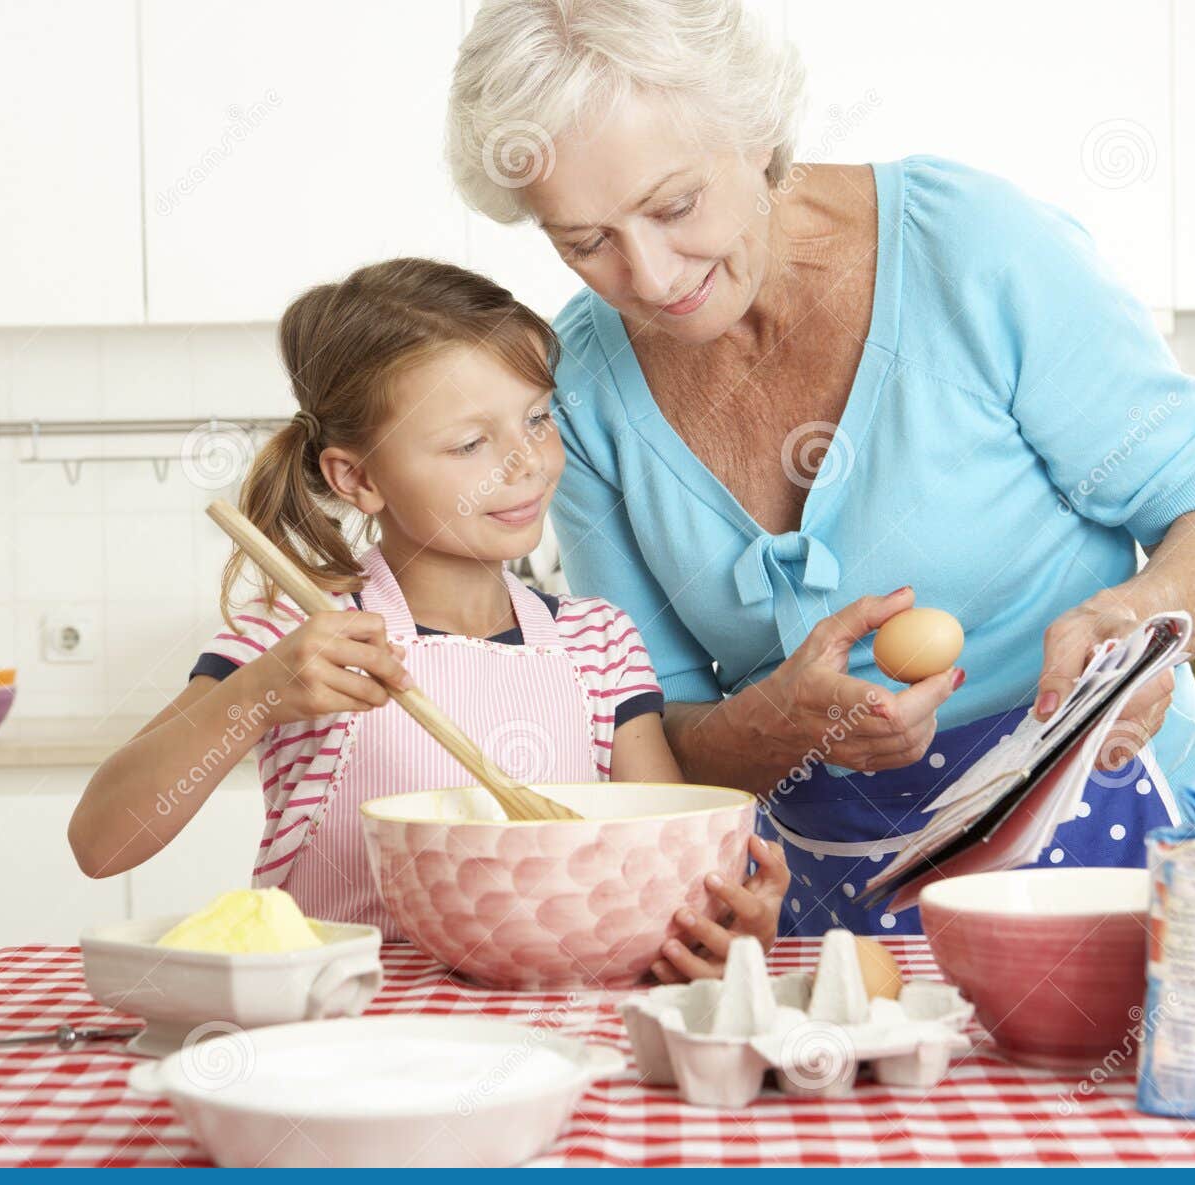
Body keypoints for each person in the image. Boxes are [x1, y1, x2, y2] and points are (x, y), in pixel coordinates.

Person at [447, 0, 1195, 935]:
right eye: (585, 242)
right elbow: (650, 731)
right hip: (829, 902)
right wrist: (770, 725)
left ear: (758, 133)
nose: (648, 275)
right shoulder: (580, 389)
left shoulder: (972, 249)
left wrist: (1135, 622)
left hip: (1132, 853)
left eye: (675, 206)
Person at [68, 257, 788, 980]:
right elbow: (101, 844)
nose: (525, 463)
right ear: (358, 478)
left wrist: (723, 924)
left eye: (537, 418)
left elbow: (660, 864)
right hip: (339, 1022)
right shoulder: (299, 643)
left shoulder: (598, 644)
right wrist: (256, 695)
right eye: (470, 444)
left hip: (543, 1016)